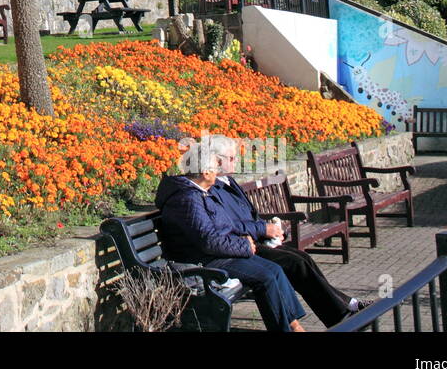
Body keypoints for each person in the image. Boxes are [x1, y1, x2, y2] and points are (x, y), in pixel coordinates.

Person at [154, 136, 362, 332]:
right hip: (204, 260)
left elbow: (221, 226)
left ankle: (295, 325)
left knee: (277, 269)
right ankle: (293, 326)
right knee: (269, 274)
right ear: (205, 172)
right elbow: (207, 240)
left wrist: (255, 235)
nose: (216, 173)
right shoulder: (189, 198)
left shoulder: (199, 193)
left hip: (221, 251)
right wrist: (246, 244)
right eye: (214, 168)